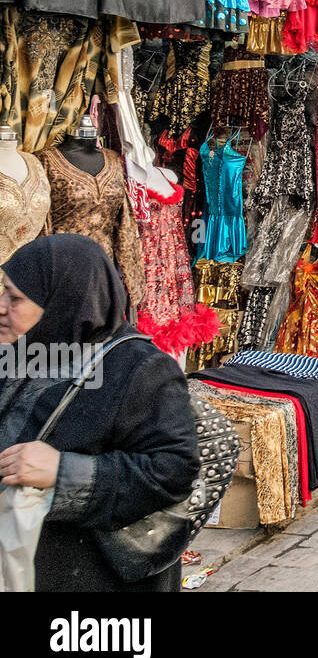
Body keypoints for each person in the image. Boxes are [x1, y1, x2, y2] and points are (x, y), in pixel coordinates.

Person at [0, 234, 199, 592]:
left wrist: (65, 473)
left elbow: (174, 470)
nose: (1, 306)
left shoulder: (141, 370)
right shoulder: (21, 352)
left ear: (62, 302)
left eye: (15, 298)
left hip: (94, 581)